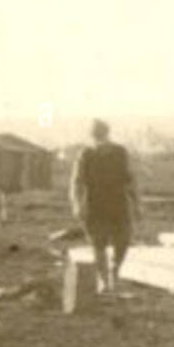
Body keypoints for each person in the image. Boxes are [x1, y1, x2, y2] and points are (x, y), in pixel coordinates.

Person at [69, 119, 140, 295]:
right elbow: (77, 182)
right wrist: (78, 204)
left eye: (100, 132)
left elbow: (130, 179)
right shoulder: (86, 154)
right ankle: (104, 280)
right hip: (95, 204)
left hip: (118, 203)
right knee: (98, 244)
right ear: (91, 135)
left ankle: (114, 273)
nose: (97, 136)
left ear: (107, 133)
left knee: (123, 241)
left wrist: (137, 203)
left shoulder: (120, 152)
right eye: (94, 133)